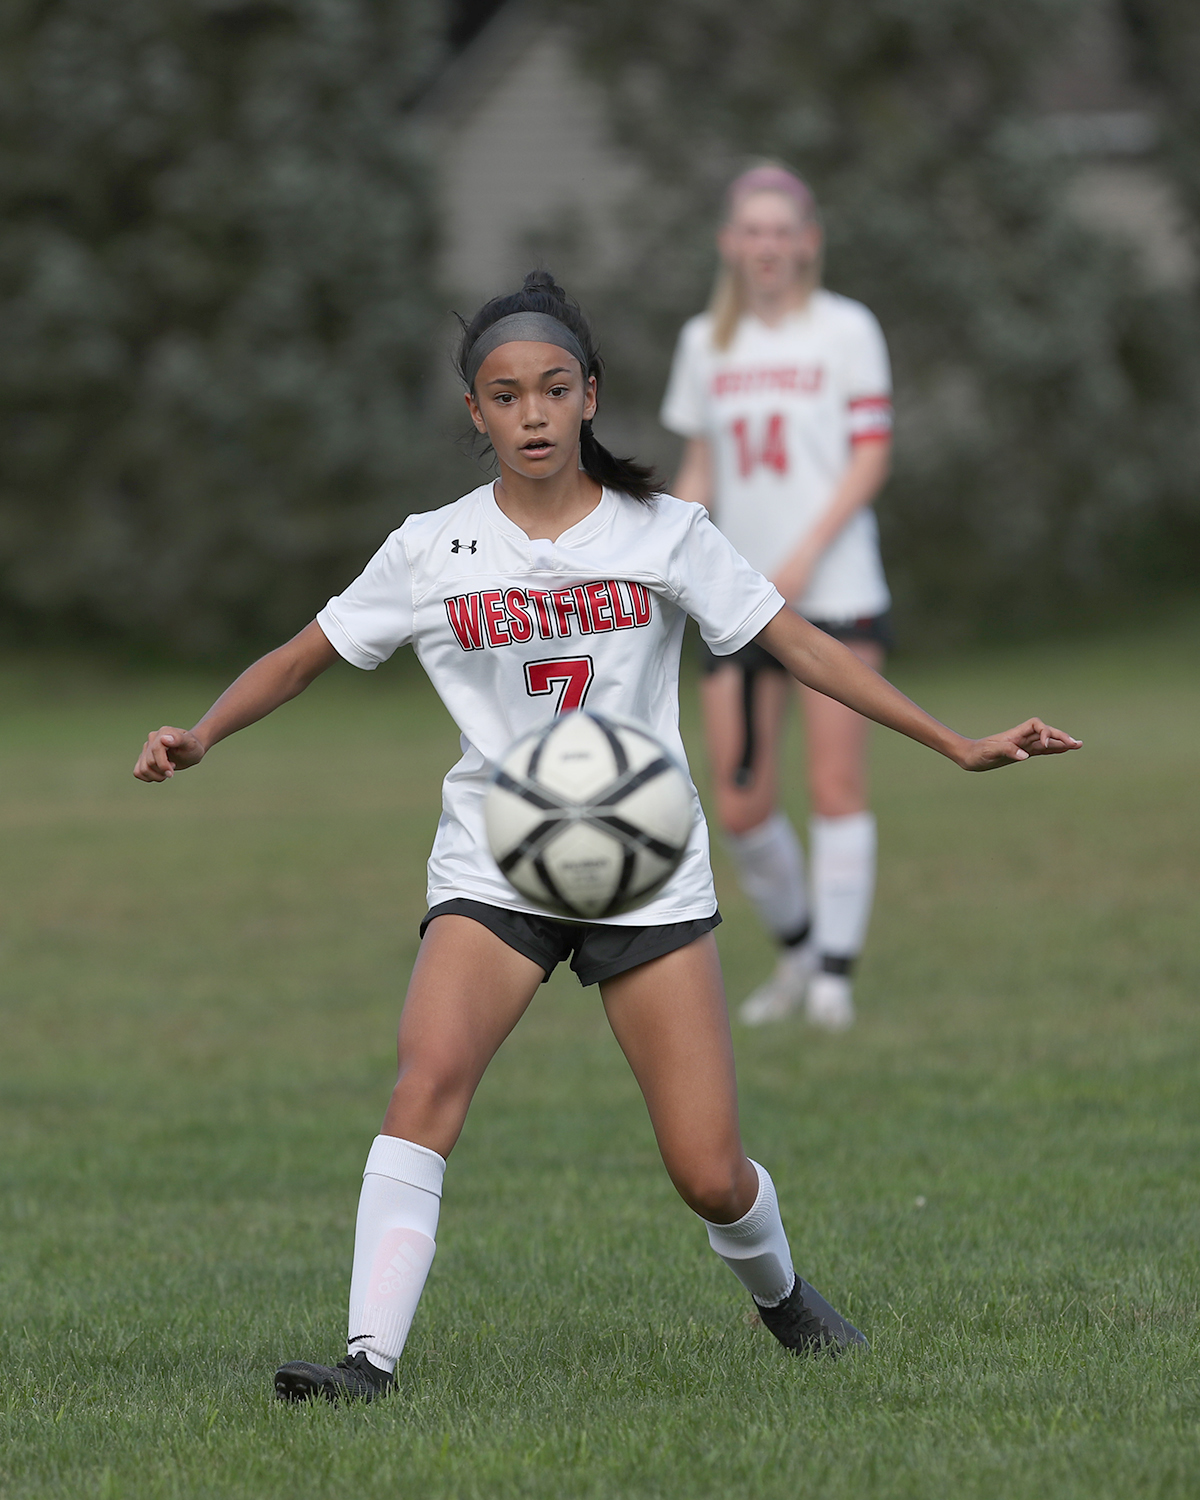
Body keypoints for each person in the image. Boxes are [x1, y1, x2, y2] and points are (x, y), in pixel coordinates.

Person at [133, 270, 1080, 1403]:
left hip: (643, 869)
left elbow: (803, 646)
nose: (531, 414)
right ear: (473, 413)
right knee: (425, 1085)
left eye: (553, 389)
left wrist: (954, 742)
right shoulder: (431, 549)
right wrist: (203, 733)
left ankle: (783, 1295)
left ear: (591, 395)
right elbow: (301, 656)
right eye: (505, 396)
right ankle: (367, 1361)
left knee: (709, 1174)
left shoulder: (667, 532)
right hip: (498, 862)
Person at [662, 163, 896, 1031]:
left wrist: (801, 557)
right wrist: (668, 551)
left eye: (781, 231)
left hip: (834, 588)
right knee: (741, 805)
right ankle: (798, 952)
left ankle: (835, 978)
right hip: (739, 599)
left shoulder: (847, 329)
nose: (767, 246)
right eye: (752, 231)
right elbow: (701, 467)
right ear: (730, 243)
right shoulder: (705, 342)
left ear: (807, 242)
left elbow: (870, 456)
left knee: (835, 783)